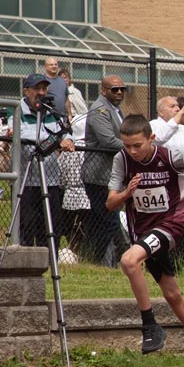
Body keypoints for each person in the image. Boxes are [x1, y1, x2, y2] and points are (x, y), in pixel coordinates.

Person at [106, 114, 184, 367]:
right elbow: (110, 203)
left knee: (129, 261)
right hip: (142, 231)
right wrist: (127, 193)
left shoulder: (171, 156)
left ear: (151, 138)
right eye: (127, 145)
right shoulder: (122, 160)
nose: (132, 151)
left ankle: (149, 325)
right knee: (172, 294)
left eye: (137, 145)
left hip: (171, 223)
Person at [14, 74, 74, 247]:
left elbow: (66, 131)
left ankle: (50, 263)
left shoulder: (51, 111)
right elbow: (19, 133)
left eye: (44, 88)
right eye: (37, 89)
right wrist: (54, 140)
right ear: (26, 90)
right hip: (26, 181)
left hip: (51, 181)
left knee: (50, 229)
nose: (41, 92)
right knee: (26, 228)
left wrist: (68, 140)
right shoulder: (17, 109)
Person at [81, 75, 127, 266]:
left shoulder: (115, 110)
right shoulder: (99, 109)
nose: (119, 92)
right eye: (114, 89)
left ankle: (93, 259)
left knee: (103, 221)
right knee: (108, 222)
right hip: (98, 175)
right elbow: (107, 141)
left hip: (110, 176)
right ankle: (95, 259)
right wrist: (136, 147)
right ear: (103, 90)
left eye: (121, 89)